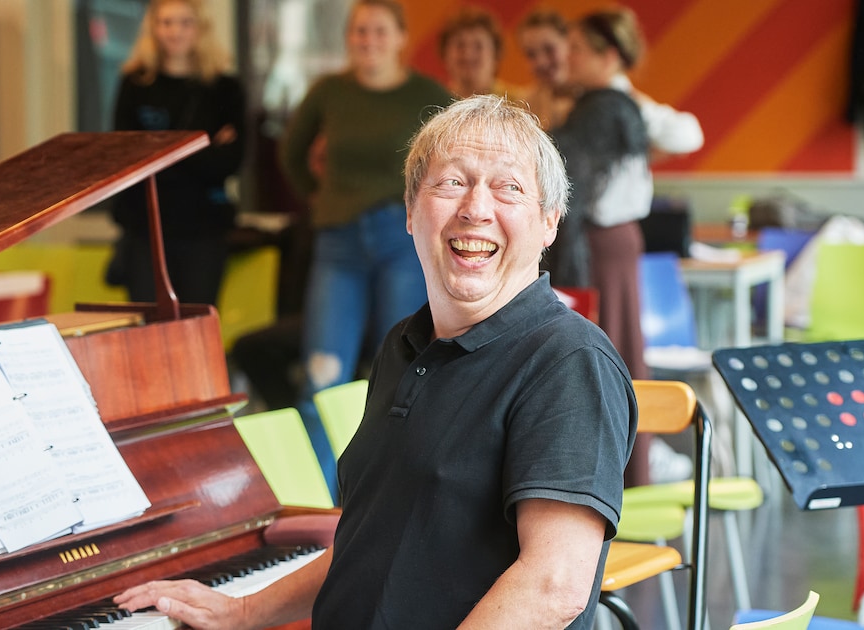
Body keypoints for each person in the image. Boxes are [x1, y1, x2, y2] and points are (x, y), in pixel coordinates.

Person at [114, 94, 637, 629]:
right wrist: (243, 612)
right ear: (410, 213)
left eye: (509, 187)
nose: (476, 208)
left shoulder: (569, 361)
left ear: (549, 224)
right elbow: (369, 539)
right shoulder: (404, 345)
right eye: (452, 182)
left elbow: (555, 584)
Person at [276, 0, 452, 495]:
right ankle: (317, 509)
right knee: (320, 377)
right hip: (339, 244)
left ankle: (384, 499)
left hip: (401, 242)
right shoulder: (329, 91)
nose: (367, 40)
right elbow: (291, 154)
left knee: (399, 375)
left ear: (399, 38)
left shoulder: (427, 94)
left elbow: (451, 161)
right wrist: (322, 200)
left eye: (378, 31)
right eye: (358, 32)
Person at [547, 8, 654, 485]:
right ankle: (625, 475)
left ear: (608, 55)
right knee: (618, 353)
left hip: (600, 245)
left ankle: (614, 480)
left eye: (576, 49)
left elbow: (570, 185)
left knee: (607, 357)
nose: (565, 56)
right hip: (615, 241)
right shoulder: (607, 104)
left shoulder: (603, 107)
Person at [108, 0, 245, 306]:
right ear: (153, 28)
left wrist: (159, 150)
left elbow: (230, 163)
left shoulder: (224, 88)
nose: (175, 32)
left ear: (200, 28)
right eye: (167, 22)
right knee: (146, 328)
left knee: (195, 324)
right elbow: (124, 159)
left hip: (204, 227)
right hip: (146, 226)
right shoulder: (135, 84)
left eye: (185, 22)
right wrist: (202, 145)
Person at [516, 8, 703, 160]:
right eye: (531, 54)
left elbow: (687, 134)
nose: (540, 62)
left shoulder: (620, 102)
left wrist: (635, 142)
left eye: (550, 49)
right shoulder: (529, 101)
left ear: (607, 58)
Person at [438, 6, 506, 98]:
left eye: (478, 46)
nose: (467, 54)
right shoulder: (433, 102)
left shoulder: (521, 104)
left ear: (496, 54)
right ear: (445, 54)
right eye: (460, 45)